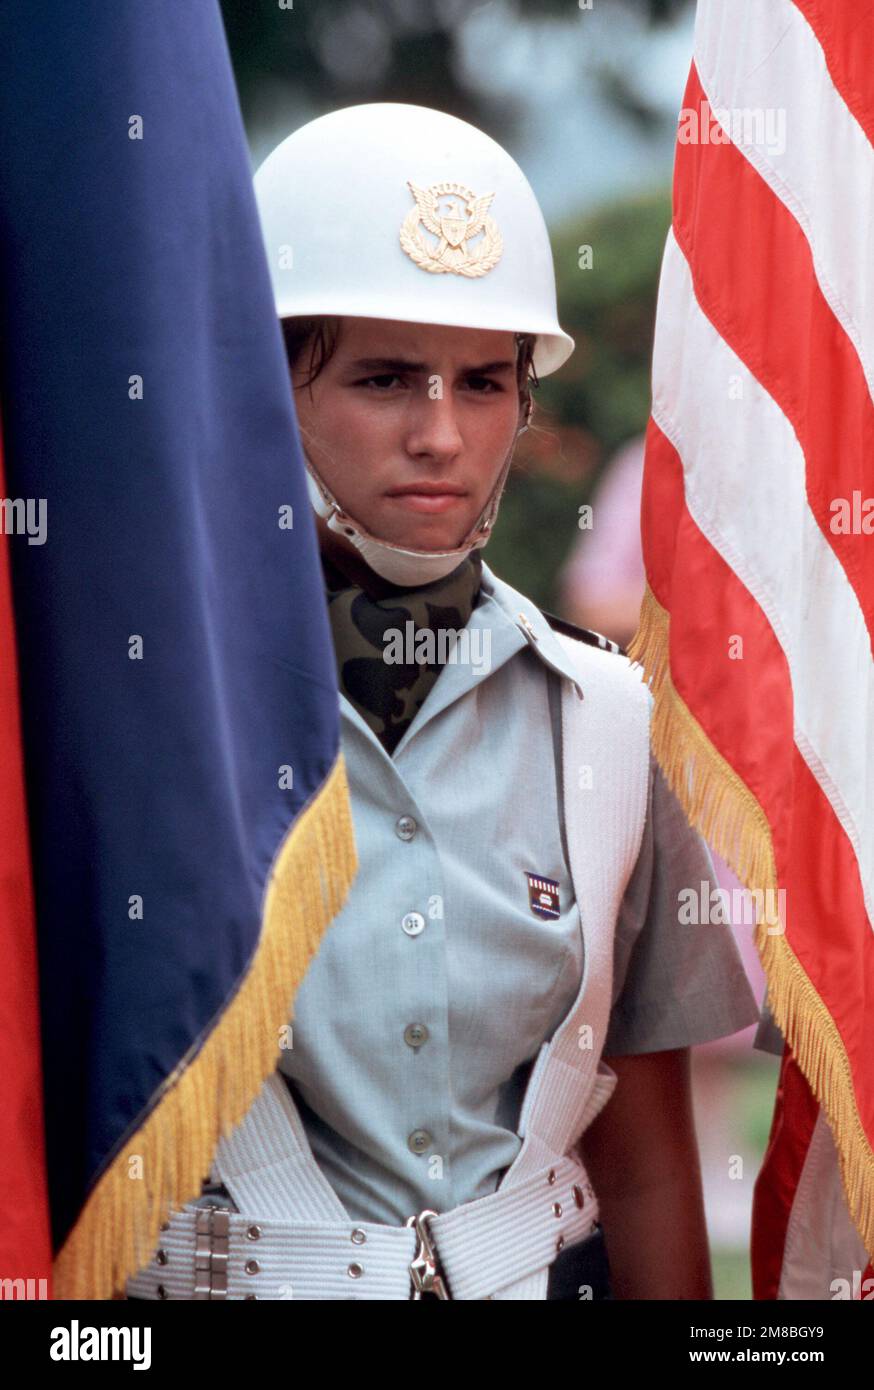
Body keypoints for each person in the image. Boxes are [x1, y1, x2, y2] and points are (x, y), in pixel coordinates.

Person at [126, 102, 759, 1302]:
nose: (440, 435)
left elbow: (644, 1163)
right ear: (263, 387)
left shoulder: (611, 723)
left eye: (482, 382)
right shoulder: (126, 706)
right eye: (381, 378)